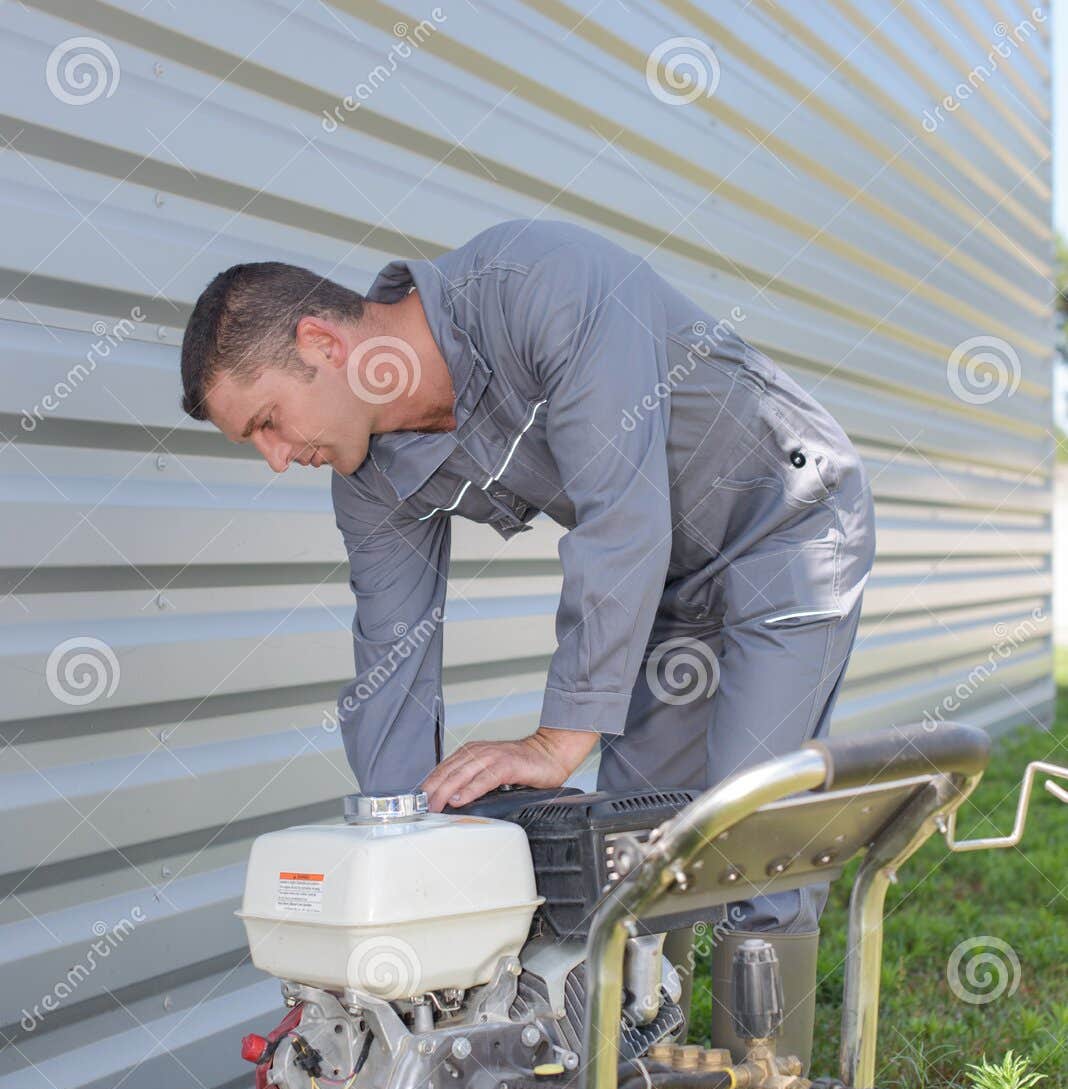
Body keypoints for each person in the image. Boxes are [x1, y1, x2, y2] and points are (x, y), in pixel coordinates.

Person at [180, 218, 875, 945]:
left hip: (784, 523)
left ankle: (770, 1060)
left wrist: (554, 742)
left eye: (268, 422)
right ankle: (648, 1053)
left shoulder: (542, 283)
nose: (277, 459)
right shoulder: (368, 477)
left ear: (322, 344)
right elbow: (392, 655)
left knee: (748, 842)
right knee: (633, 857)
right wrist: (401, 843)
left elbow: (620, 516)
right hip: (666, 582)